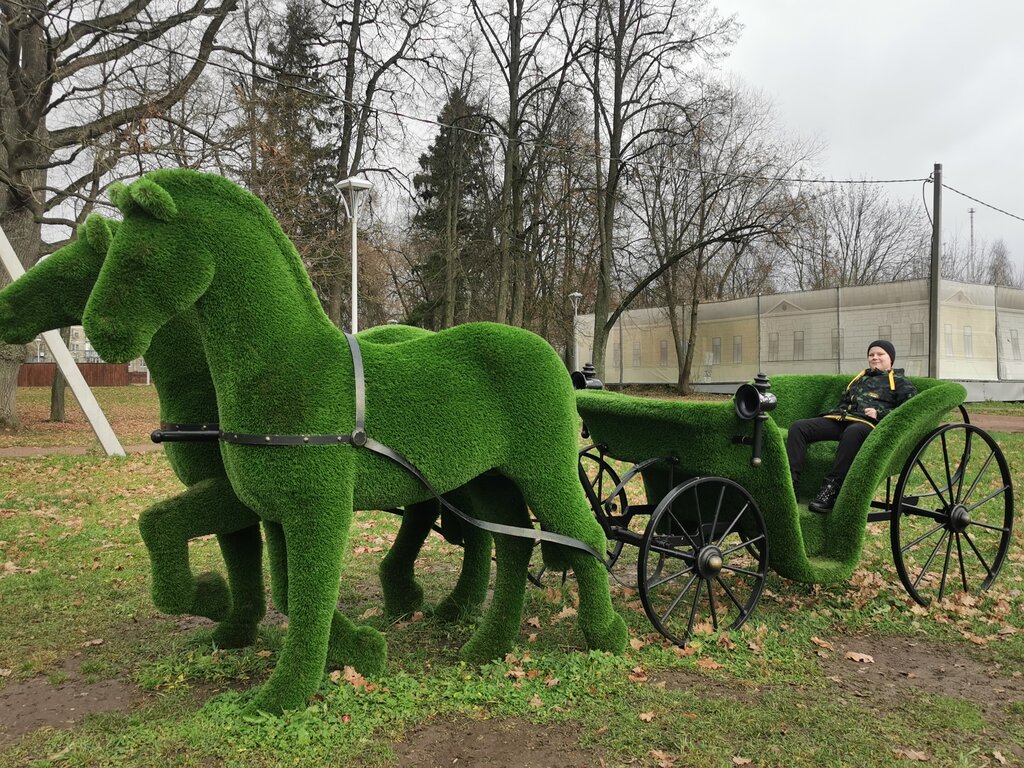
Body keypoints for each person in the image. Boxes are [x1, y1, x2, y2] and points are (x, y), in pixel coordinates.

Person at [787, 340, 917, 513]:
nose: (875, 357)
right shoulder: (858, 379)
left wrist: (880, 414)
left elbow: (911, 409)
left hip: (867, 425)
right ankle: (790, 487)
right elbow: (845, 401)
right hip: (842, 418)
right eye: (871, 355)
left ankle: (831, 490)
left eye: (880, 354)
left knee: (853, 432)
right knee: (799, 428)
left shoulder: (900, 382)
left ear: (890, 359)